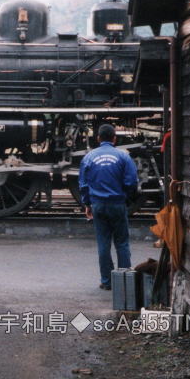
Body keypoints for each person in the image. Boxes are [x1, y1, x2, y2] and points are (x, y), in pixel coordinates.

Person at [79, 123, 138, 290]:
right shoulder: (123, 157)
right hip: (118, 203)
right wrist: (125, 195)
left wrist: (87, 203)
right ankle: (125, 282)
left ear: (98, 138)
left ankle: (107, 282)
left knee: (103, 244)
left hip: (98, 205)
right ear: (115, 138)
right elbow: (132, 181)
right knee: (122, 243)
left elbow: (83, 184)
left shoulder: (89, 157)